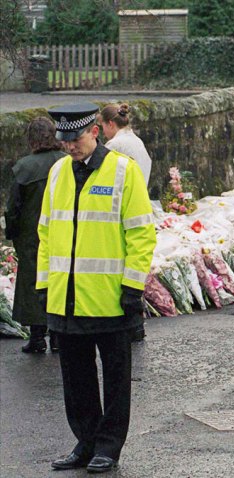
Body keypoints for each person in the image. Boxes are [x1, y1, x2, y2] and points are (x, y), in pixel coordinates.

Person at [39, 102, 156, 473]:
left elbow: (141, 233)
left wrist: (132, 286)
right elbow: (45, 233)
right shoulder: (58, 173)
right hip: (67, 298)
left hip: (110, 299)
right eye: (65, 141)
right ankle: (85, 441)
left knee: (116, 377)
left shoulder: (124, 171)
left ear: (93, 131)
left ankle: (108, 445)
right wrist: (44, 284)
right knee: (76, 379)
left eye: (75, 139)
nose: (70, 147)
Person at [4, 117, 65, 354]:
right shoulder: (65, 162)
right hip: (61, 227)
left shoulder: (23, 167)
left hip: (31, 233)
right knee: (59, 276)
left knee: (32, 281)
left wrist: (12, 233)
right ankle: (59, 335)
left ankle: (37, 335)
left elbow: (13, 207)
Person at [98, 103, 153, 343]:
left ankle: (131, 324)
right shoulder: (135, 141)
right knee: (133, 270)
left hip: (120, 210)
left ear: (111, 124)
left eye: (102, 126)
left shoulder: (115, 146)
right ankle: (136, 324)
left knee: (122, 273)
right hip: (139, 205)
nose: (101, 132)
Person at [98, 103, 152, 185]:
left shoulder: (114, 144)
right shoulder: (137, 140)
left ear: (110, 124)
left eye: (103, 126)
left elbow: (99, 173)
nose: (103, 132)